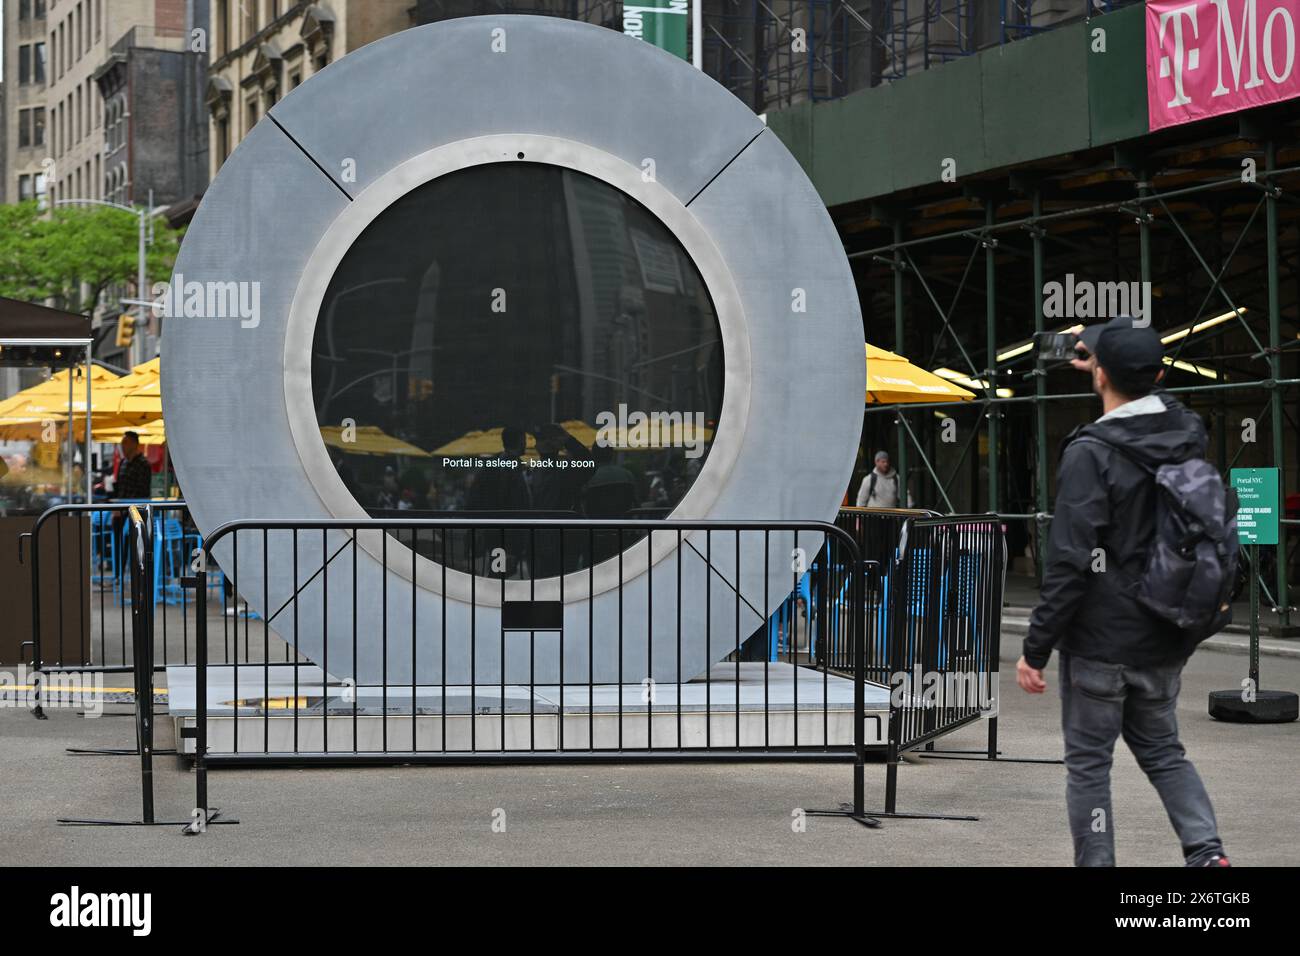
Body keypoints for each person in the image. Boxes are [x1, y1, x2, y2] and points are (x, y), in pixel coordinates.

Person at [1018, 316, 1228, 868]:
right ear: (1158, 374)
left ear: (1100, 372)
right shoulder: (1187, 430)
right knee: (1164, 752)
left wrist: (1035, 648)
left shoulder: (1090, 452)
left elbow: (1069, 561)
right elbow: (1156, 391)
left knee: (1089, 766)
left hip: (1100, 643)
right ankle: (1207, 856)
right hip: (1165, 631)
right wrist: (1115, 353)